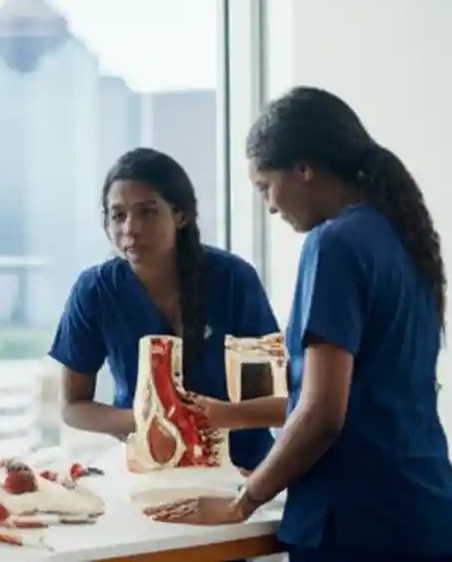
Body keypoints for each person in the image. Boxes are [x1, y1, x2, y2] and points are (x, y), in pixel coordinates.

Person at [149, 86, 452, 562]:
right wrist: (230, 416)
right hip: (422, 509)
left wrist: (244, 499)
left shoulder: (334, 243)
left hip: (358, 524)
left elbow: (321, 416)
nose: (270, 206)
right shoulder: (403, 235)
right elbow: (368, 396)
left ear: (304, 168)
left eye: (265, 187)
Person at [48, 147, 279, 471]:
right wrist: (151, 421)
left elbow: (279, 403)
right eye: (118, 215)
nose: (131, 228)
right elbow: (73, 406)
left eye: (148, 212)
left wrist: (211, 419)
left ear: (181, 215)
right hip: (150, 469)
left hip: (244, 470)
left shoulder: (233, 280)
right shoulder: (95, 291)